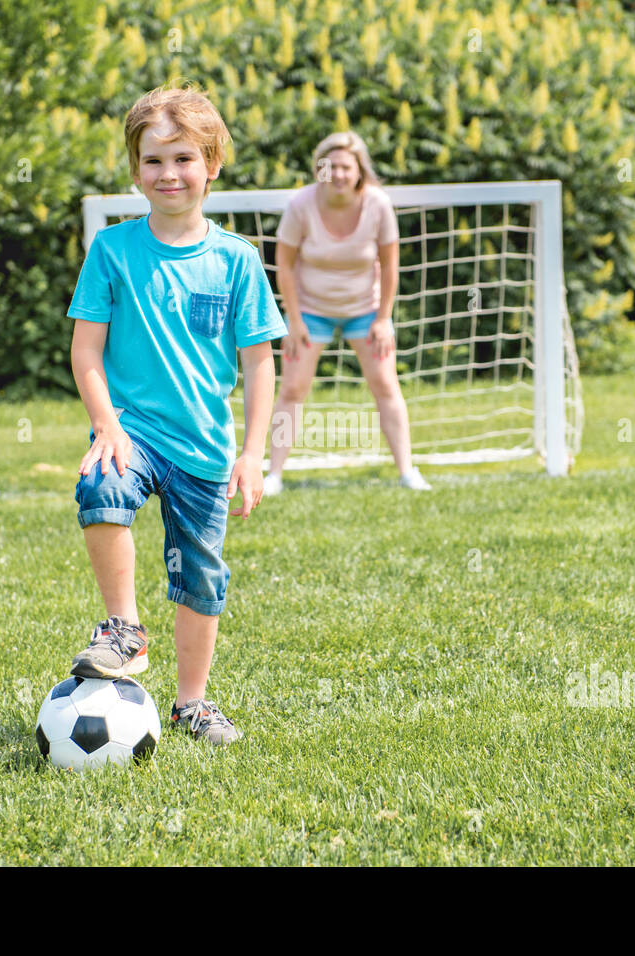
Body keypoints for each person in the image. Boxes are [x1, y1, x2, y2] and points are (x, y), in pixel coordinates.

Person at [65, 85, 285, 745]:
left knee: (200, 579)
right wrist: (106, 425)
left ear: (212, 163)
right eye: (154, 160)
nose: (169, 174)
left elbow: (260, 363)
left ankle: (192, 704)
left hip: (204, 446)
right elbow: (86, 352)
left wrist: (252, 455)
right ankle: (124, 630)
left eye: (184, 158)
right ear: (135, 171)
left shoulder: (238, 261)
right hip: (131, 431)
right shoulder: (112, 252)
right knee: (100, 485)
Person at [264, 131, 431, 493]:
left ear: (359, 171)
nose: (338, 174)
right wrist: (293, 320)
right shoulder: (301, 205)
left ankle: (407, 472)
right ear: (319, 170)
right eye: (330, 167)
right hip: (310, 311)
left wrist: (384, 318)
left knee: (386, 384)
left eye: (345, 167)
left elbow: (389, 265)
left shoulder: (378, 204)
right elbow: (284, 265)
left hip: (365, 311)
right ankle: (273, 474)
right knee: (292, 388)